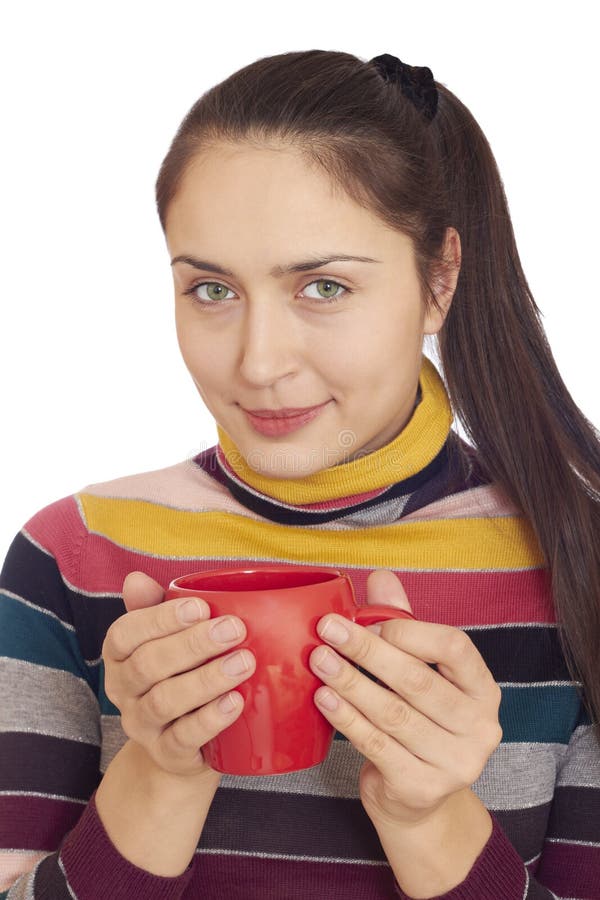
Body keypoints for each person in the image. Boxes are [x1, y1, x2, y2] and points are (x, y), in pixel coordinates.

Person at [0, 48, 599, 900]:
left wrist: (434, 824)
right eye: (211, 290)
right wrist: (159, 779)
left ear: (441, 279)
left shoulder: (577, 558)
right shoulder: (72, 558)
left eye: (322, 286)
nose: (258, 363)